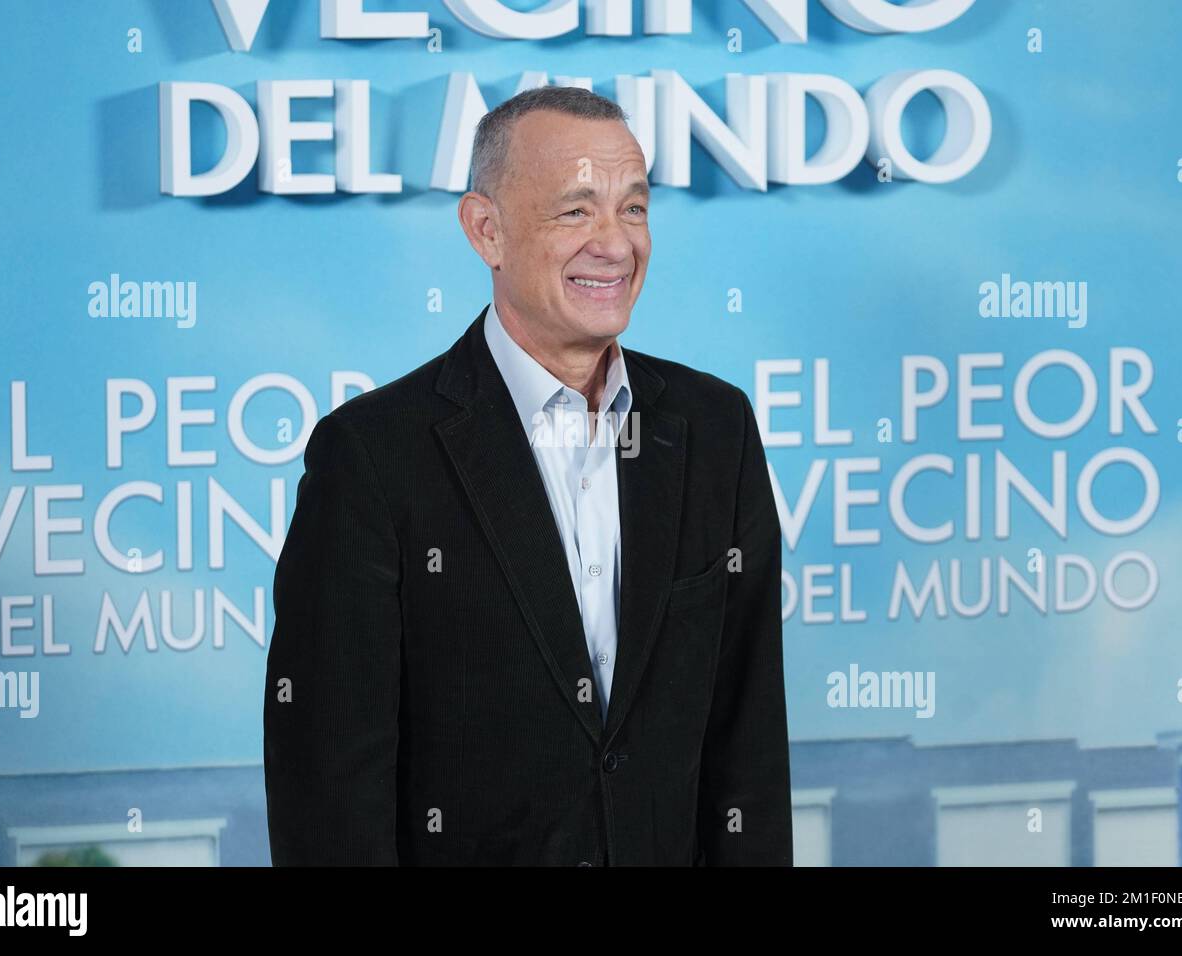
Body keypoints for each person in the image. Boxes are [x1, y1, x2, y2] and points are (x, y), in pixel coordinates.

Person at [263, 85, 792, 866]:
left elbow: (746, 748)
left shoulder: (716, 429)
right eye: (576, 211)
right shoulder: (372, 459)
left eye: (635, 209)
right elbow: (333, 795)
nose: (614, 244)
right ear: (487, 230)